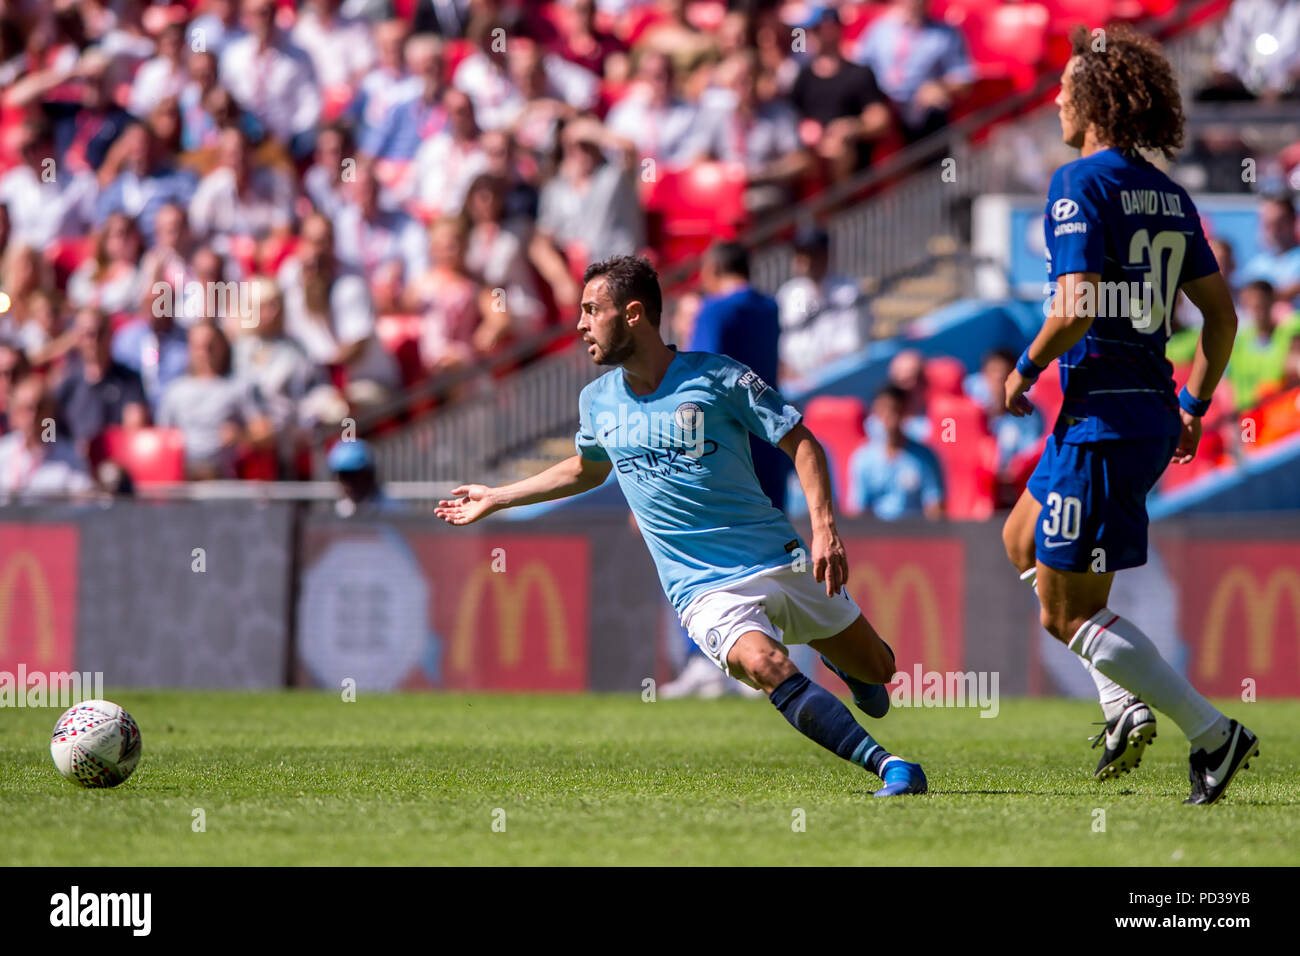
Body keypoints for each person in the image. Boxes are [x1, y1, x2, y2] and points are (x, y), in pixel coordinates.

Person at [435, 255, 928, 797]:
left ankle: (854, 665)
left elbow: (801, 441)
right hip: (701, 588)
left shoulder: (718, 377)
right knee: (766, 665)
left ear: (633, 314)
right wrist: (497, 496)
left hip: (777, 557)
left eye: (590, 310)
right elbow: (585, 469)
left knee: (880, 672)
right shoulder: (596, 401)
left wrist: (824, 528)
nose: (578, 324)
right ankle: (890, 767)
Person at [1001, 27, 1256, 805]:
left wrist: (1025, 366)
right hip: (1137, 409)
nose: (1053, 99)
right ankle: (1120, 704)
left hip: (1102, 422)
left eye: (1064, 87)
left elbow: (1075, 306)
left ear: (1093, 101)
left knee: (1061, 613)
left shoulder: (1078, 182)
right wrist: (1194, 405)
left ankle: (1215, 734)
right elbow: (1221, 320)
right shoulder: (1170, 195)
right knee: (1019, 538)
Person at [846, 385, 944, 520]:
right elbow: (858, 509)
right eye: (883, 411)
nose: (889, 417)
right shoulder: (863, 458)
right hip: (876, 534)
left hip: (915, 533)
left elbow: (934, 505)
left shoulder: (925, 457)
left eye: (894, 410)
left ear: (905, 413)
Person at [0, 375, 95, 501]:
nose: (32, 417)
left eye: (39, 408)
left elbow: (87, 501)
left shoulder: (68, 457)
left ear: (50, 412)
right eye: (25, 409)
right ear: (14, 413)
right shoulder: (3, 452)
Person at [328, 438, 403, 517]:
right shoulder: (339, 512)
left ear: (369, 475)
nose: (349, 484)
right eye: (344, 476)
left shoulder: (394, 511)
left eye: (355, 475)